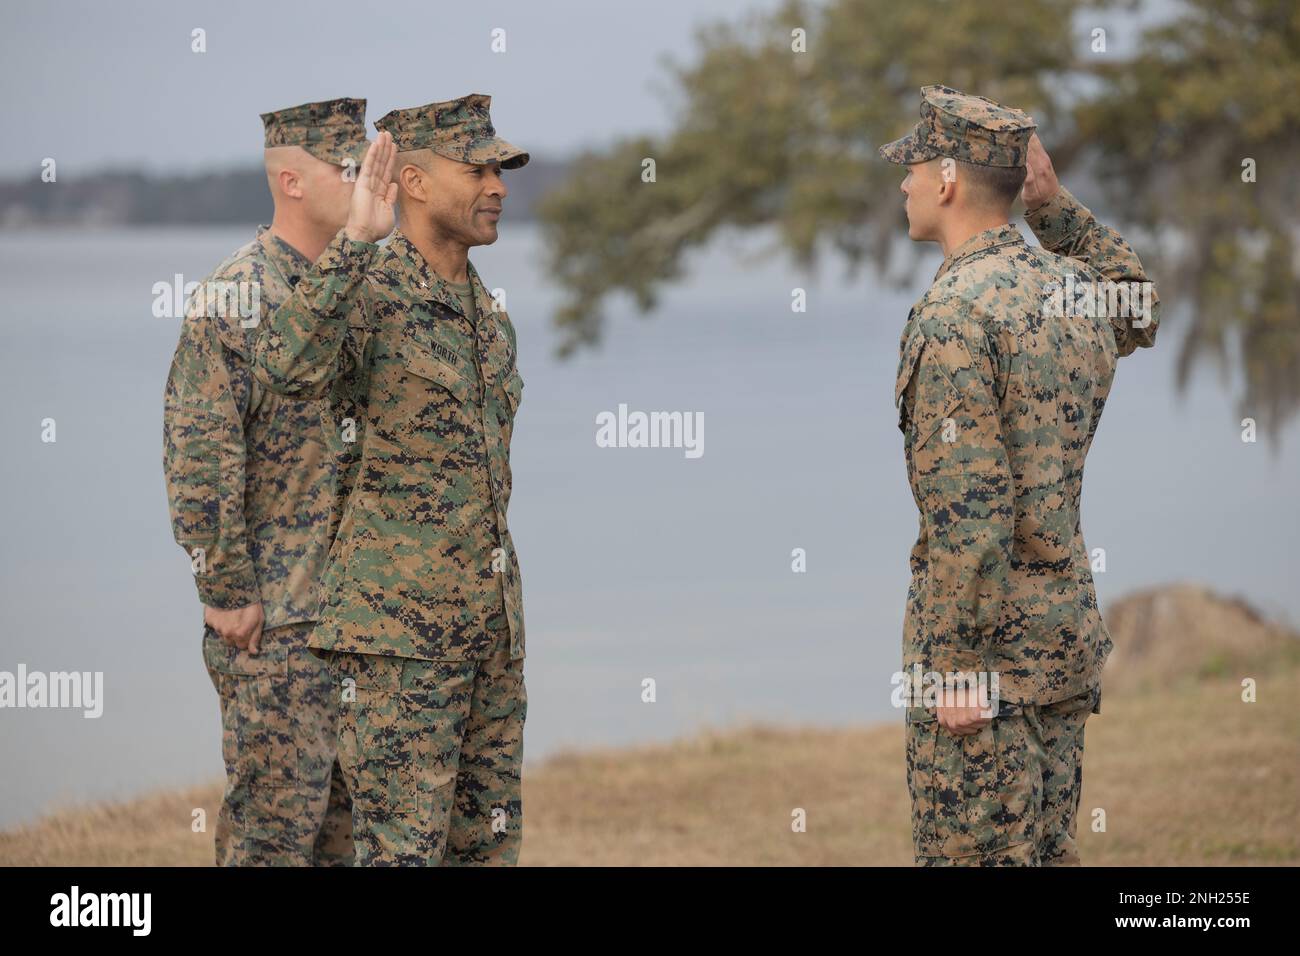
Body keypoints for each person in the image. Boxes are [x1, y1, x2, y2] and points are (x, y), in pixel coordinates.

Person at [879, 84, 1159, 865]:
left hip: (990, 664)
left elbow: (971, 514)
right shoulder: (1073, 290)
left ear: (946, 180)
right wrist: (1054, 205)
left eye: (913, 167)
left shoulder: (953, 317)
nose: (902, 183)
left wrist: (960, 668)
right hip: (1060, 643)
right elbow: (1141, 308)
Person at [252, 94, 529, 866]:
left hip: (490, 639)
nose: (498, 185)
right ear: (410, 179)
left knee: (488, 852)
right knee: (399, 856)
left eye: (499, 169)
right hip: (395, 644)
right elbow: (286, 370)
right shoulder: (365, 291)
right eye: (476, 168)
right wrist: (351, 246)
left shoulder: (487, 315)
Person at [163, 97, 375, 865]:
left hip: (360, 617)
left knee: (345, 846)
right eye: (345, 168)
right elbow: (200, 453)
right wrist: (226, 590)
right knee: (273, 839)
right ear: (291, 179)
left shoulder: (361, 288)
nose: (362, 181)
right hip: (277, 621)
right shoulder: (234, 297)